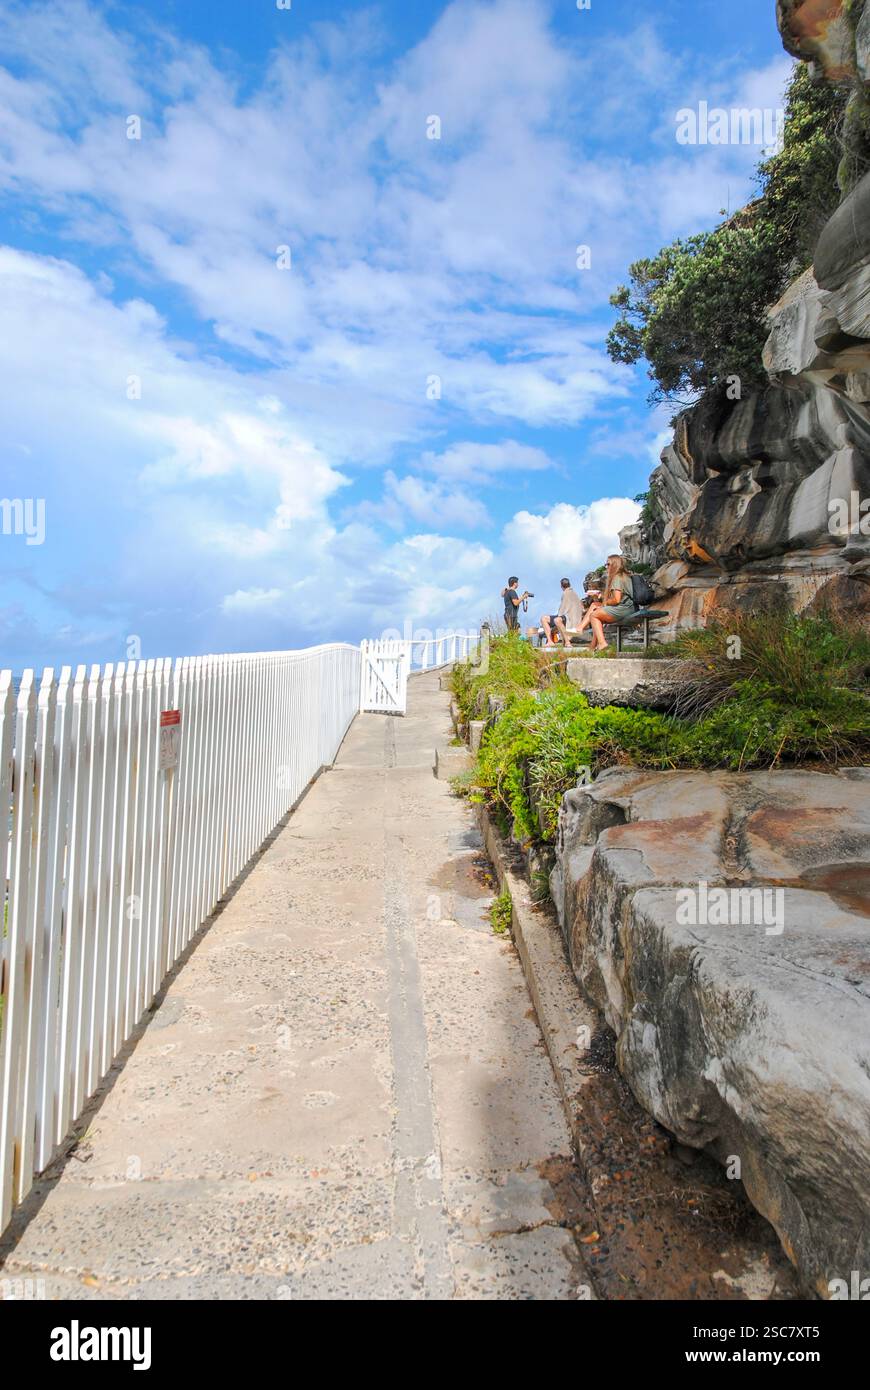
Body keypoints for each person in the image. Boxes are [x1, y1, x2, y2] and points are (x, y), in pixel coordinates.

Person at [575, 554, 635, 652]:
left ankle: (602, 644)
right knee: (594, 606)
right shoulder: (624, 576)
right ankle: (589, 642)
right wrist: (601, 597)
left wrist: (604, 602)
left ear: (615, 565)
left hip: (624, 609)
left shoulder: (617, 578)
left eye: (608, 564)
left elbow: (616, 600)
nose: (606, 567)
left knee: (594, 616)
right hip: (628, 607)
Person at [541, 578, 585, 647]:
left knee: (546, 619)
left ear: (561, 586)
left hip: (569, 618)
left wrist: (558, 618)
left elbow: (562, 611)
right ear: (569, 584)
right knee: (550, 619)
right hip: (573, 617)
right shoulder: (575, 594)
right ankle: (551, 641)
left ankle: (561, 642)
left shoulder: (566, 593)